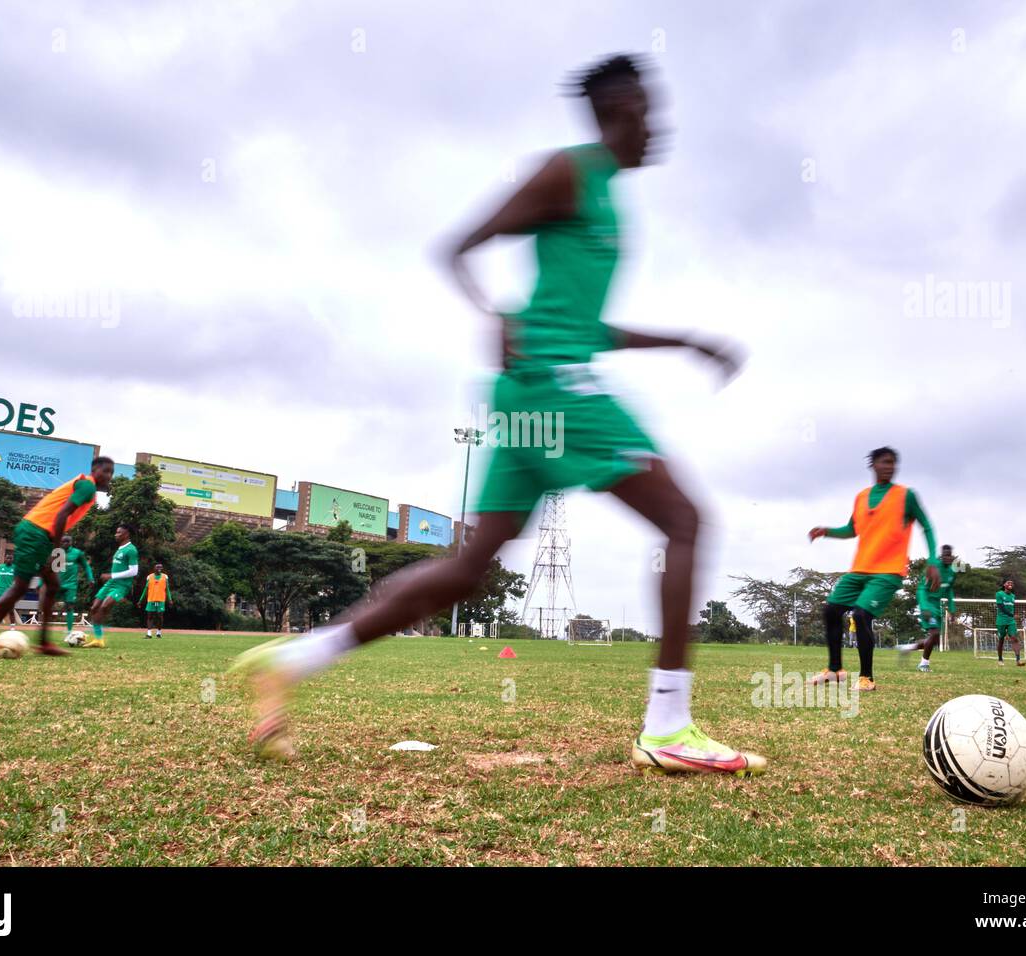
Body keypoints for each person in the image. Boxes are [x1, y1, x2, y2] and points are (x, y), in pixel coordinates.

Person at [233, 54, 764, 775]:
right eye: (647, 111)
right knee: (685, 522)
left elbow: (582, 327)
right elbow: (459, 247)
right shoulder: (569, 173)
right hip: (553, 391)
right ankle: (668, 726)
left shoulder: (605, 194)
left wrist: (684, 342)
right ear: (617, 111)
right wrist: (492, 313)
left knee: (468, 569)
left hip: (529, 398)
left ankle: (294, 661)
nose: (658, 127)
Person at [807, 447, 939, 692]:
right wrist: (827, 531)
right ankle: (835, 670)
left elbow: (927, 526)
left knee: (860, 615)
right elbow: (851, 529)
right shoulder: (861, 496)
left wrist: (932, 560)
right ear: (873, 465)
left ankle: (866, 678)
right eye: (885, 462)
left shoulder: (906, 496)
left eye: (893, 463)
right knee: (831, 611)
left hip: (888, 571)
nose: (890, 467)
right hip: (859, 569)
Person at [0, 457, 115, 655]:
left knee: (52, 585)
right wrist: (56, 550)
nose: (109, 476)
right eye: (105, 471)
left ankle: (44, 642)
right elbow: (62, 514)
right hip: (37, 534)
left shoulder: (85, 487)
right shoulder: (87, 485)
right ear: (94, 470)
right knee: (20, 587)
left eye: (111, 472)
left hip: (39, 534)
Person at [896, 544, 959, 671]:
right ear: (942, 556)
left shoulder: (952, 572)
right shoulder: (933, 568)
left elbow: (949, 591)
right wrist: (924, 607)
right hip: (928, 606)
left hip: (937, 607)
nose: (948, 558)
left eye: (950, 556)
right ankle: (924, 664)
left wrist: (952, 610)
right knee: (935, 633)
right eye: (945, 555)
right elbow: (921, 589)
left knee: (934, 638)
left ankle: (908, 648)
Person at [85, 525, 139, 648]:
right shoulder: (119, 549)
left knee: (104, 606)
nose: (116, 534)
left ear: (126, 534)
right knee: (94, 608)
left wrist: (111, 576)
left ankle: (99, 640)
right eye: (116, 532)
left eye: (119, 533)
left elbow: (134, 571)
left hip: (122, 585)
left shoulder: (131, 550)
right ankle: (96, 639)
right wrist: (111, 578)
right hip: (111, 583)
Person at [56, 534, 95, 633]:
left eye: (67, 541)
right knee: (47, 604)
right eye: (63, 541)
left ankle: (69, 631)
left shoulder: (77, 553)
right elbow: (51, 570)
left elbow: (86, 566)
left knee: (70, 606)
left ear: (71, 542)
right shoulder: (57, 553)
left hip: (71, 585)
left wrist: (90, 578)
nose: (65, 543)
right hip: (57, 584)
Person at [138, 563, 172, 639]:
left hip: (161, 600)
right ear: (154, 568)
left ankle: (159, 633)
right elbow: (145, 589)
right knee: (150, 616)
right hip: (151, 600)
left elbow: (167, 589)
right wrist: (140, 600)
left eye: (161, 567)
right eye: (158, 567)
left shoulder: (165, 577)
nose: (159, 568)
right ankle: (149, 634)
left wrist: (170, 599)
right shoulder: (149, 577)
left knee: (160, 617)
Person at [0, 547, 23, 627]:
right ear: (5, 559)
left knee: (10, 609)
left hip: (9, 591)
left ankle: (12, 626)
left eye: (11, 558)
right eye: (8, 558)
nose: (9, 559)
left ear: (12, 559)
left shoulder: (15, 568)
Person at [995, 578, 1022, 665]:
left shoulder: (1013, 596)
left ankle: (1018, 660)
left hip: (1011, 621)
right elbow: (1001, 607)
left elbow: (1012, 608)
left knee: (1014, 638)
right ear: (1004, 585)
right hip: (1001, 621)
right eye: (1008, 582)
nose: (1010, 583)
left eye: (1012, 582)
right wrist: (1011, 615)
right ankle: (1000, 659)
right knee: (1001, 639)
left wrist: (1014, 615)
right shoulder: (999, 594)